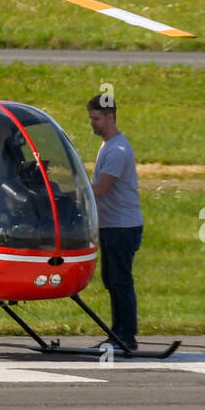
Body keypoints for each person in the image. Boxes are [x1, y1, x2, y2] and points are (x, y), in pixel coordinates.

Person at [86, 93, 143, 351]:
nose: (92, 124)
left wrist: (74, 192)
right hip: (112, 226)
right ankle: (119, 333)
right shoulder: (108, 145)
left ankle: (126, 336)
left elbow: (100, 189)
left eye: (96, 119)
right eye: (90, 119)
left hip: (122, 226)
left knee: (120, 281)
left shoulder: (118, 149)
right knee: (113, 280)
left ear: (111, 117)